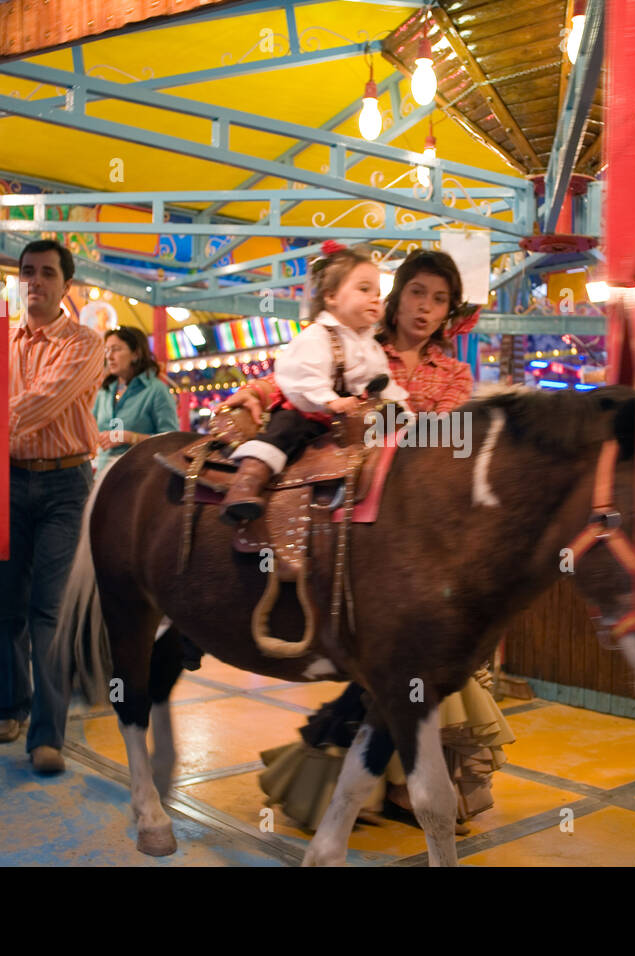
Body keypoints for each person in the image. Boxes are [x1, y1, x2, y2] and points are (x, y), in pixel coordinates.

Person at [224, 248, 511, 834]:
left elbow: (453, 441)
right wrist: (254, 393)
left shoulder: (452, 373)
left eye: (439, 300)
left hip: (418, 522)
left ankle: (392, 787)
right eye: (417, 294)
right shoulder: (355, 339)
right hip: (353, 512)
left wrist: (403, 428)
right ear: (396, 294)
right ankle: (387, 788)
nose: (427, 308)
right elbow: (298, 369)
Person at [0, 239, 104, 774]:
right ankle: (10, 707)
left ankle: (47, 735)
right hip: (4, 481)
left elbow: (43, 402)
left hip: (65, 485)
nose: (36, 281)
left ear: (65, 285)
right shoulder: (0, 340)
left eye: (48, 273)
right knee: (4, 604)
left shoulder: (84, 342)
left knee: (48, 610)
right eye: (28, 272)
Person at [220, 244, 408, 524]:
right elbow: (300, 373)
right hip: (307, 410)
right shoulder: (317, 336)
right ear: (331, 297)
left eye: (378, 293)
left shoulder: (370, 347)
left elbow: (384, 384)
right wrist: (328, 399)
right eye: (364, 289)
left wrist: (403, 413)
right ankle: (247, 482)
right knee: (284, 432)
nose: (375, 299)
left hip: (345, 420)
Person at [92, 325, 179, 474]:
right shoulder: (104, 391)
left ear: (136, 354)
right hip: (103, 475)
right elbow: (92, 426)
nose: (109, 356)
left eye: (116, 349)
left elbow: (172, 441)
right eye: (107, 350)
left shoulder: (156, 390)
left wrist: (130, 437)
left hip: (140, 478)